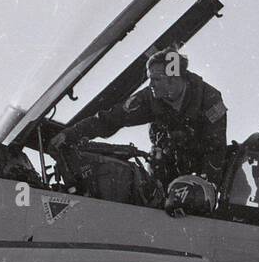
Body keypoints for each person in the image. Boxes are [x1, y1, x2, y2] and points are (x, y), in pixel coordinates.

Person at [50, 49, 228, 211]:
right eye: (150, 78)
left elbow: (215, 149)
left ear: (173, 79)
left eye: (156, 79)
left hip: (199, 170)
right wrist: (71, 134)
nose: (151, 84)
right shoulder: (149, 99)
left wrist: (207, 189)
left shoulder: (208, 99)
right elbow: (110, 119)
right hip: (165, 167)